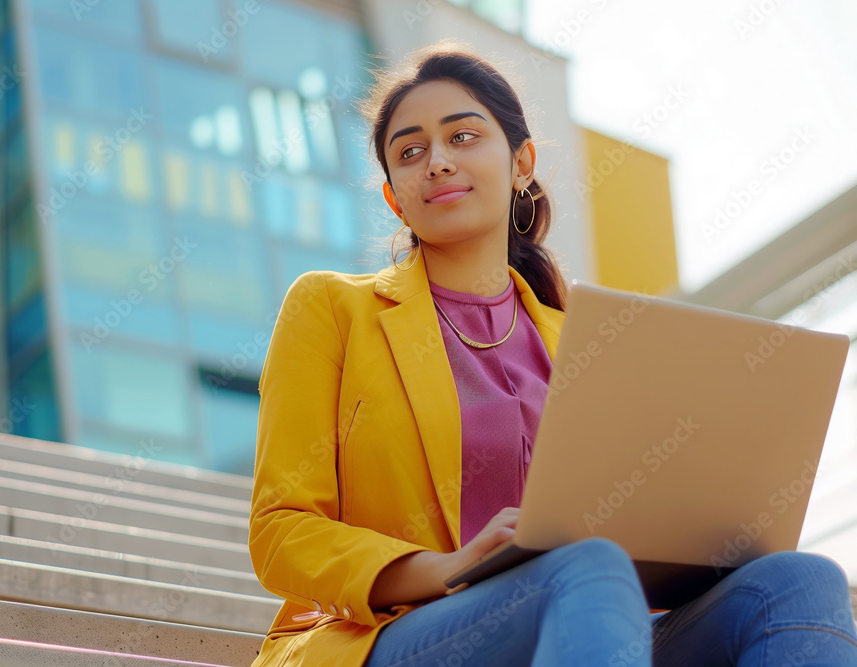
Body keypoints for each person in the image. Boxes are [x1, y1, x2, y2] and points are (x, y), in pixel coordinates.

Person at [247, 39, 857, 666]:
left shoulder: (588, 343)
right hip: (396, 636)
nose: (435, 162)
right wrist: (442, 567)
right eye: (410, 152)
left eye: (462, 137)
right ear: (394, 196)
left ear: (521, 164)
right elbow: (281, 529)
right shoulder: (330, 309)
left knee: (799, 581)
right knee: (586, 569)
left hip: (588, 625)